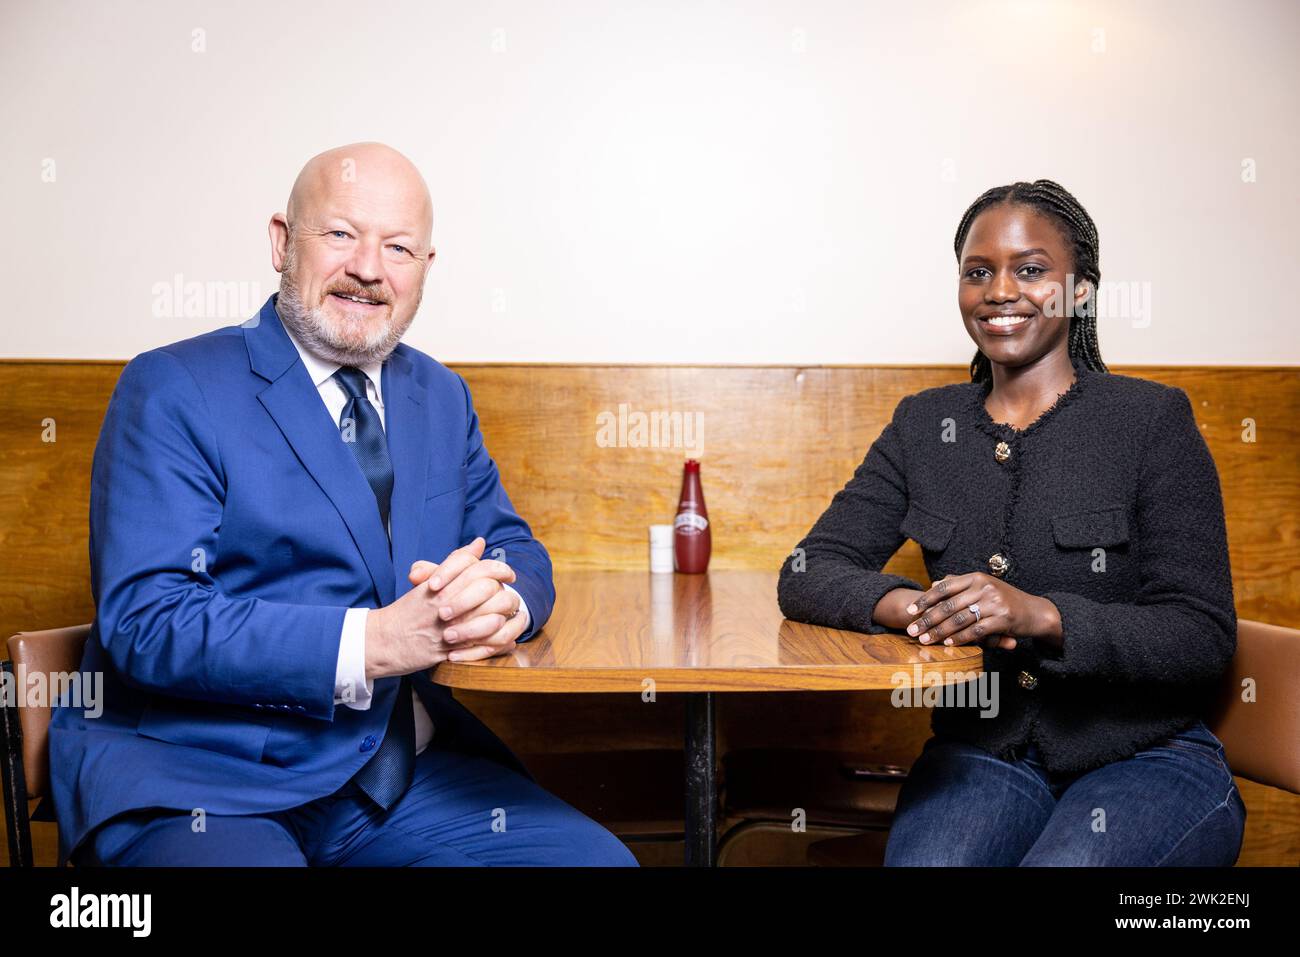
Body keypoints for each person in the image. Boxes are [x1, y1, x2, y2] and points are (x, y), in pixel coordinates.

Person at [47, 142, 636, 867]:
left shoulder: (440, 397)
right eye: (340, 234)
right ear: (281, 241)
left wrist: (500, 606)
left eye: (398, 247)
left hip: (397, 782)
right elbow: (147, 619)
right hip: (206, 782)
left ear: (425, 269)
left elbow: (515, 548)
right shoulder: (173, 386)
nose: (368, 267)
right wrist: (380, 641)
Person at [778, 179, 1246, 866]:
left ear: (1079, 290)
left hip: (1150, 758)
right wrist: (923, 606)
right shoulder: (922, 424)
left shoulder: (1151, 421)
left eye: (1030, 269)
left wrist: (1042, 615)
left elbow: (1201, 634)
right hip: (984, 753)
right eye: (977, 271)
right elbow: (807, 570)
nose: (1000, 290)